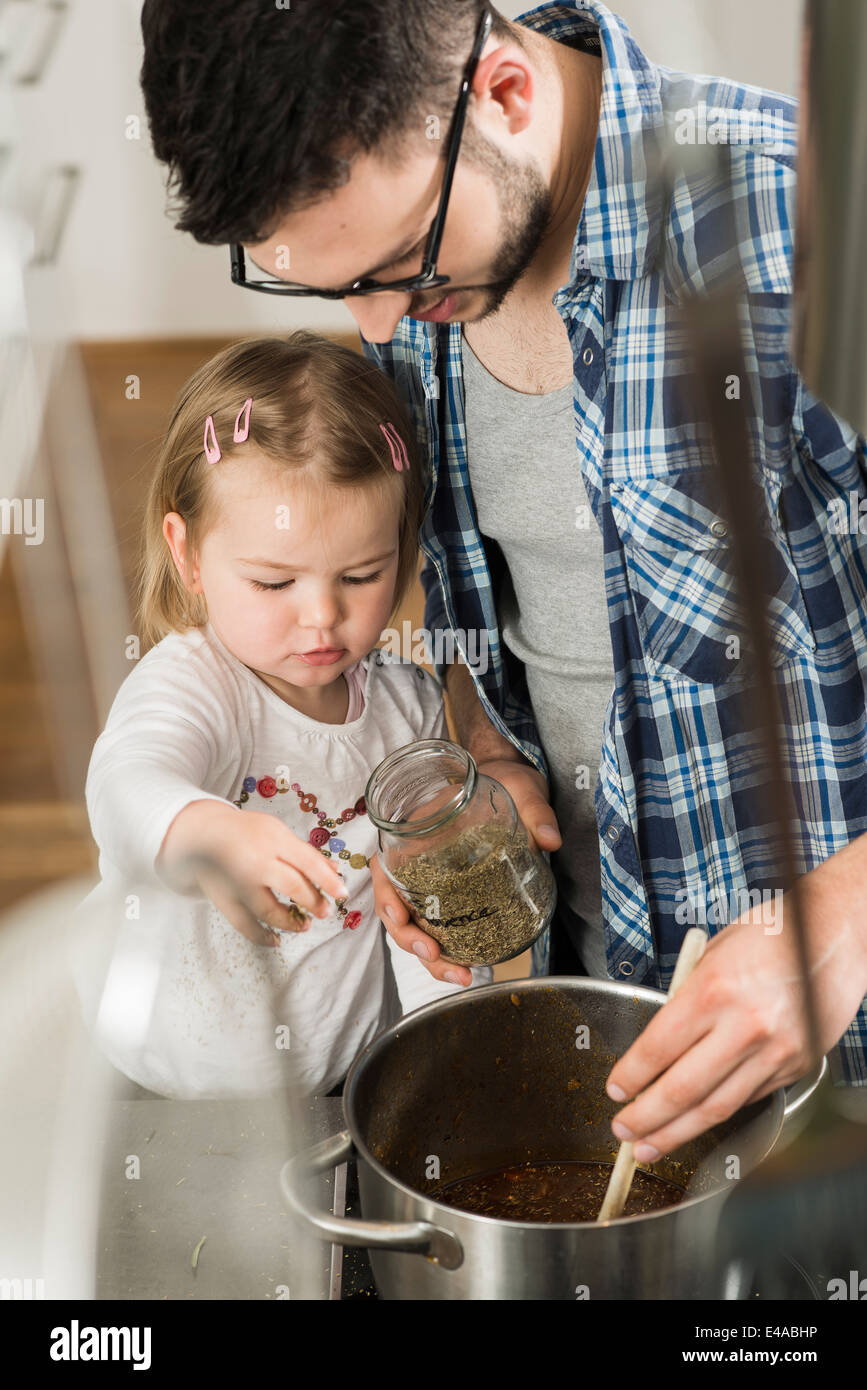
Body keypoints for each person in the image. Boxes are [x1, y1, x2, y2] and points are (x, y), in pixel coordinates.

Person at [139, 0, 867, 1160]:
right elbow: (530, 604)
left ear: (506, 95)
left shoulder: (806, 229)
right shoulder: (429, 283)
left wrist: (833, 929)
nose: (375, 322)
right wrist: (477, 762)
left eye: (399, 271)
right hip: (611, 1020)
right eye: (327, 285)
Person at [74, 332, 491, 1099]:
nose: (322, 619)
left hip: (331, 1080)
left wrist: (452, 1048)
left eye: (361, 575)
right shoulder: (197, 683)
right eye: (273, 583)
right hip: (151, 1078)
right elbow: (127, 785)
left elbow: (423, 916)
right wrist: (209, 835)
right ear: (188, 555)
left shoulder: (410, 712)